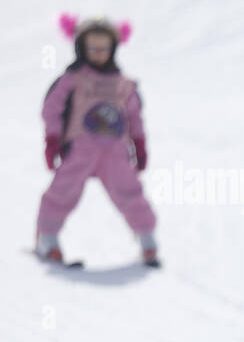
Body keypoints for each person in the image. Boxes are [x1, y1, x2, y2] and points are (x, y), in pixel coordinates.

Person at [37, 14, 159, 267]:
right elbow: (52, 109)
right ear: (81, 47)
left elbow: (135, 116)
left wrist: (139, 144)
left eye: (104, 48)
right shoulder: (72, 79)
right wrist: (52, 140)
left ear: (113, 48)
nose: (99, 53)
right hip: (81, 148)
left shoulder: (123, 84)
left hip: (115, 151)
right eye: (92, 48)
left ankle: (147, 240)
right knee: (62, 191)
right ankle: (48, 238)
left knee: (130, 192)